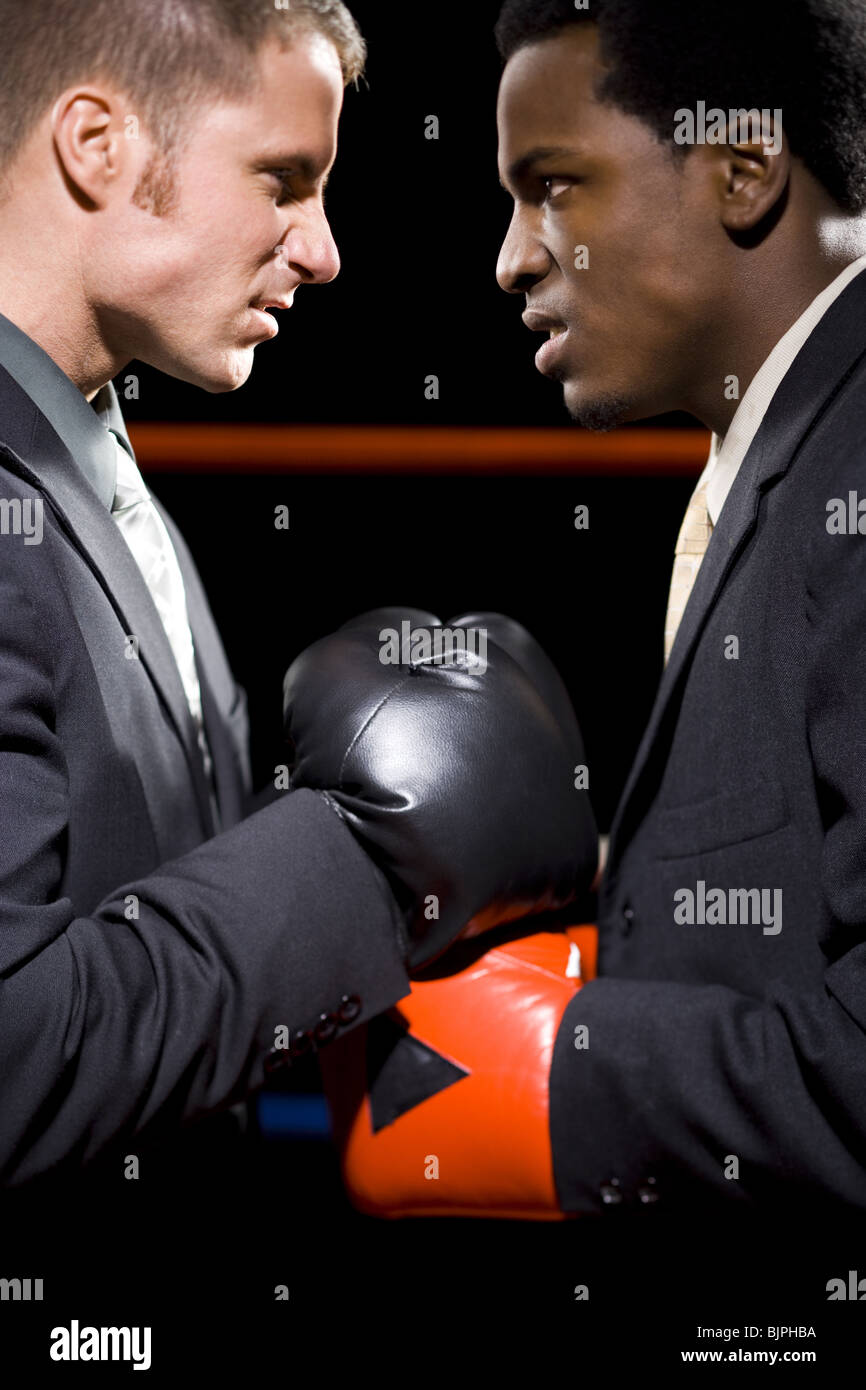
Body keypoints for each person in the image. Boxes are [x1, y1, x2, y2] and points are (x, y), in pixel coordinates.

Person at [0, 0, 595, 1192]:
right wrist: (363, 856)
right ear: (96, 145)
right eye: (282, 180)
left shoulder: (104, 484)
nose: (321, 249)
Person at [493, 0, 866, 1216]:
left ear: (741, 166)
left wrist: (562, 1072)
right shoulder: (780, 461)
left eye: (551, 187)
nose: (514, 256)